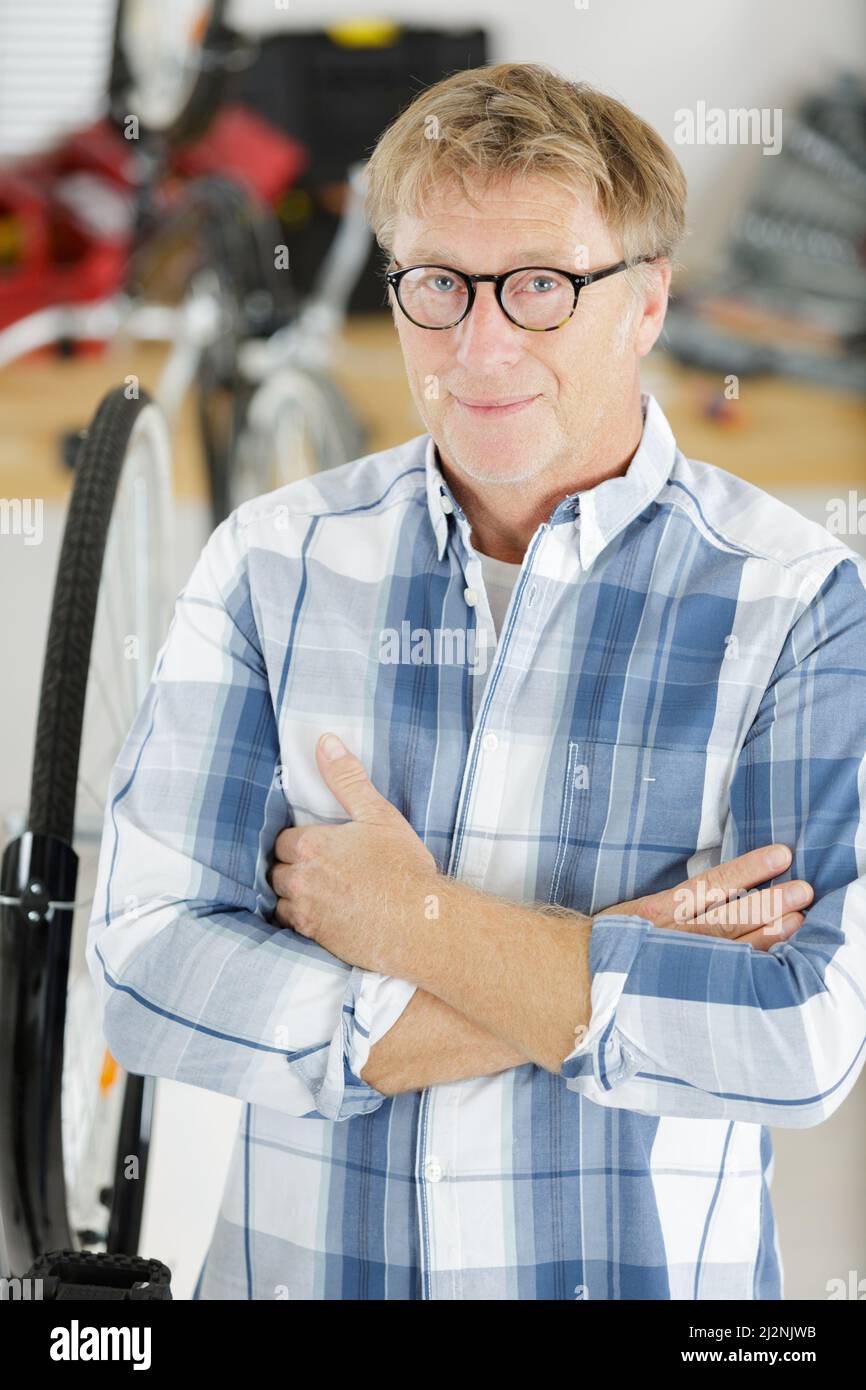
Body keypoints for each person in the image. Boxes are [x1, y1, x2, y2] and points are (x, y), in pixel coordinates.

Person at [86, 63, 866, 1301]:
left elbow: (792, 1038)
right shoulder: (270, 564)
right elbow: (144, 973)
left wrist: (408, 923)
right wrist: (620, 951)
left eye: (542, 286)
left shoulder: (797, 600)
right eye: (437, 285)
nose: (479, 342)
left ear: (647, 299)